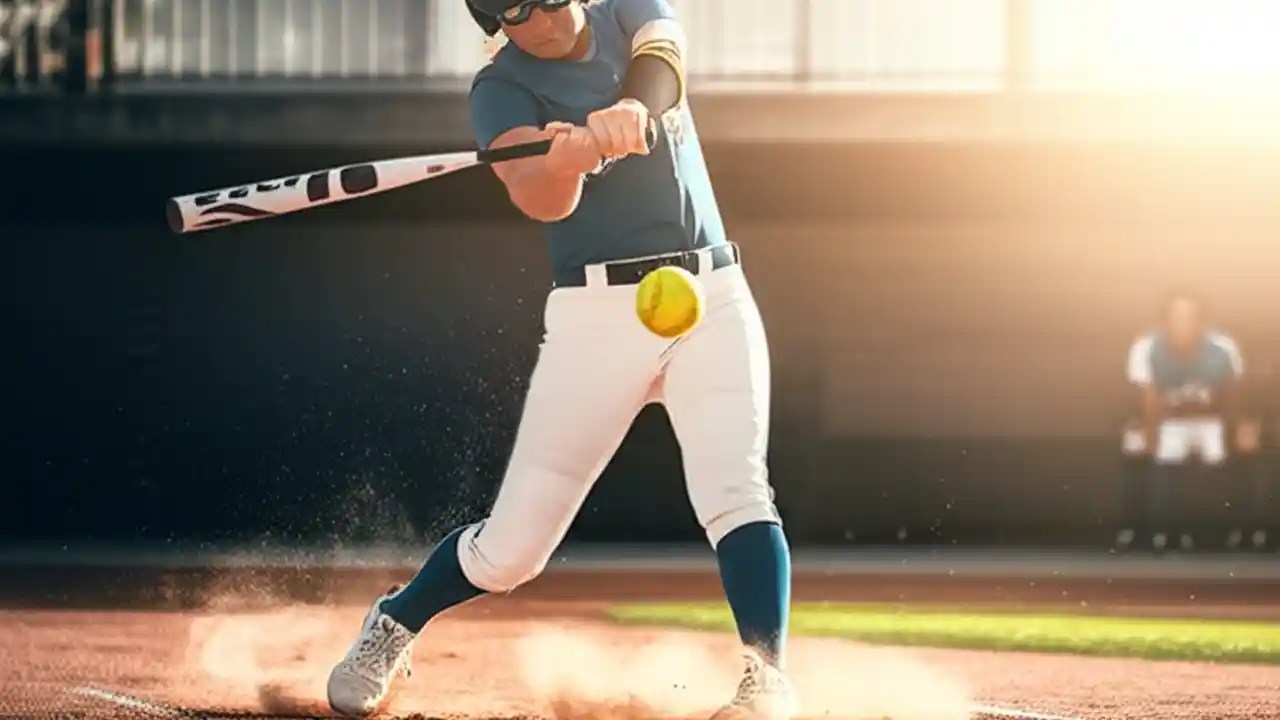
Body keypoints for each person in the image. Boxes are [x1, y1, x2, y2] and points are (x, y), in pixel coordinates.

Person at [325, 1, 795, 718]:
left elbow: (664, 59)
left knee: (737, 491)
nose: (539, 20)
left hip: (711, 295)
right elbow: (540, 200)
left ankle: (767, 678)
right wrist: (568, 161)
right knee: (512, 553)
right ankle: (394, 620)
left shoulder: (628, 9)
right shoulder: (500, 89)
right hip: (596, 316)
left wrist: (631, 108)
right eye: (513, 11)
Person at [1126, 290, 1243, 553]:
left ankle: (1214, 534)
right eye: (1176, 318)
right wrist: (1150, 435)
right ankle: (1162, 533)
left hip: (1209, 420)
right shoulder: (1147, 346)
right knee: (1164, 451)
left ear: (1202, 322)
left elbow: (1232, 395)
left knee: (1216, 452)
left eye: (1190, 318)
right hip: (1169, 420)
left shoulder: (1223, 347)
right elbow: (1149, 398)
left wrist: (1235, 430)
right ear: (1165, 322)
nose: (1184, 325)